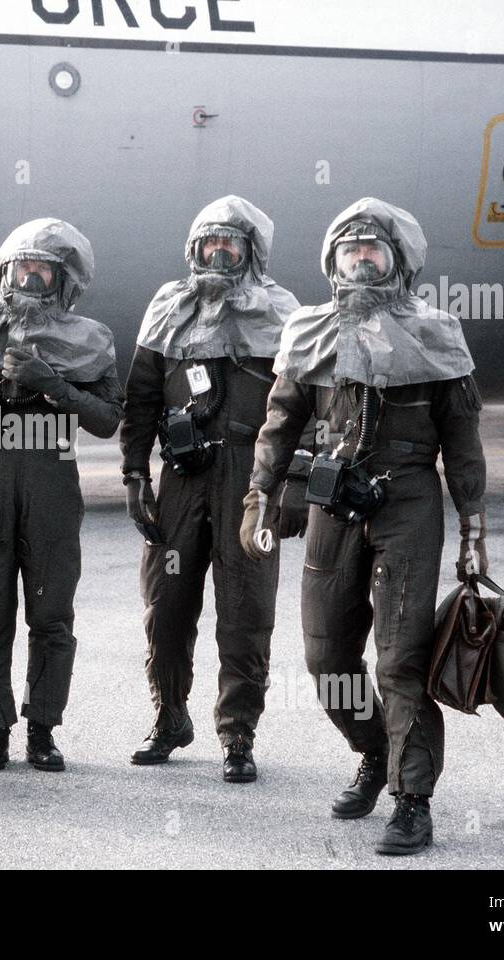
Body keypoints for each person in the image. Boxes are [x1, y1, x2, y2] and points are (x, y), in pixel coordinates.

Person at [243, 197, 489, 855]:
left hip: (407, 500)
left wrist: (473, 530)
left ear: (397, 260)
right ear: (333, 261)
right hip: (333, 500)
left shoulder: (437, 334)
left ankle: (412, 801)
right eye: (350, 251)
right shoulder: (309, 331)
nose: (360, 260)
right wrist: (259, 497)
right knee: (326, 659)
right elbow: (279, 425)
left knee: (401, 659)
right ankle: (375, 753)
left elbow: (463, 445)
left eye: (372, 250)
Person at [0, 218, 124, 773]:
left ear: (63, 279)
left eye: (42, 270)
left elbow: (108, 419)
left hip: (51, 498)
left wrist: (55, 386)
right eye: (22, 268)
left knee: (51, 616)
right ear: (5, 273)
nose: (30, 278)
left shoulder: (87, 341)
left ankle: (43, 729)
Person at [120, 196, 303, 783]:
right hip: (181, 475)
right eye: (209, 243)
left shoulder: (282, 313)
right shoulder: (168, 309)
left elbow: (306, 404)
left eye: (230, 243)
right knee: (166, 605)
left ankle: (238, 733)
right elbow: (141, 398)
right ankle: (169, 716)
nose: (218, 252)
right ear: (193, 249)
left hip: (251, 480)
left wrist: (294, 483)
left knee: (246, 611)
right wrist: (133, 475)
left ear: (251, 252)